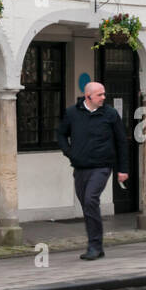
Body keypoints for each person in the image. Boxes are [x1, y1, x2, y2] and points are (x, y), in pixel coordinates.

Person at [56, 81, 130, 260]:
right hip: (80, 167)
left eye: (104, 94)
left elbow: (121, 141)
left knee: (90, 200)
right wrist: (70, 153)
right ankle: (98, 245)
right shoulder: (72, 113)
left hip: (102, 166)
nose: (104, 97)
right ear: (88, 96)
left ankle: (94, 246)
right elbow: (61, 134)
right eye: (100, 95)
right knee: (87, 205)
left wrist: (123, 169)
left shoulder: (110, 114)